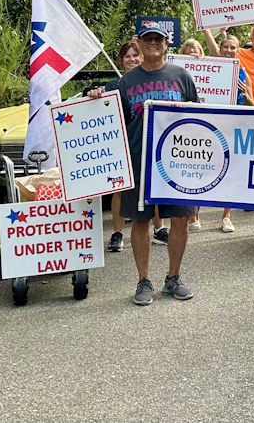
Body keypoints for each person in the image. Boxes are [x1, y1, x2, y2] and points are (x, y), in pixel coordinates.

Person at [92, 24, 200, 305]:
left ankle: (173, 277)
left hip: (177, 161)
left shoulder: (181, 76)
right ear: (138, 43)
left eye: (158, 39)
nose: (153, 43)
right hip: (138, 160)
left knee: (179, 220)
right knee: (140, 221)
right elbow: (109, 118)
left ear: (166, 44)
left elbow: (199, 117)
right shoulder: (126, 81)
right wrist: (93, 98)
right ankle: (144, 280)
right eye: (148, 39)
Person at [101, 41, 166, 252]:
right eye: (127, 56)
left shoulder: (151, 81)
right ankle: (117, 234)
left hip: (150, 143)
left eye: (135, 55)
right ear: (121, 60)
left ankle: (160, 229)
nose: (132, 60)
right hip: (121, 144)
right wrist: (96, 95)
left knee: (153, 187)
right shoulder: (112, 86)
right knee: (120, 189)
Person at [216, 33, 254, 233]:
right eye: (226, 47)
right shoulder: (211, 70)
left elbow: (252, 103)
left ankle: (226, 216)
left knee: (229, 170)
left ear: (238, 50)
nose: (229, 51)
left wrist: (243, 91)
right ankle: (193, 216)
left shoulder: (243, 74)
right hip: (212, 124)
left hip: (234, 126)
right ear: (220, 49)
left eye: (233, 48)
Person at [179, 37, 205, 232]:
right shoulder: (177, 72)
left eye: (197, 48)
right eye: (189, 49)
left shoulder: (212, 68)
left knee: (198, 172)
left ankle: (195, 214)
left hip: (202, 125)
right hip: (180, 126)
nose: (193, 51)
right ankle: (185, 214)